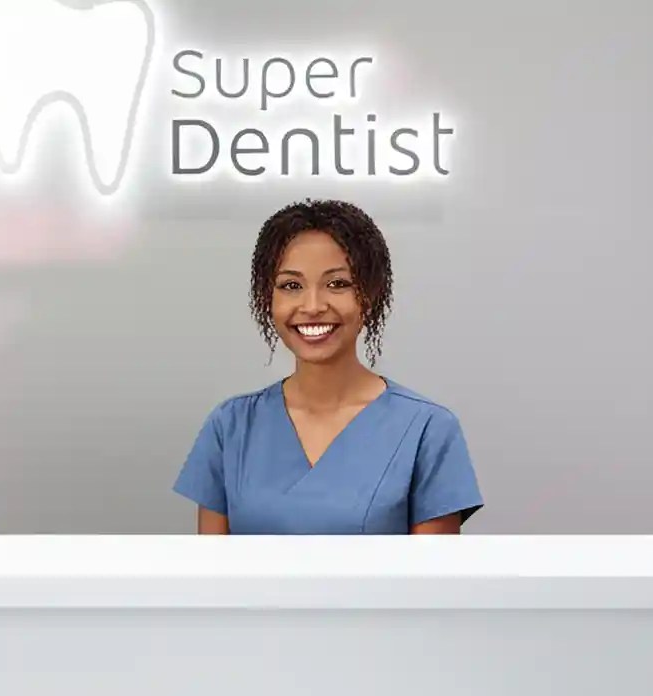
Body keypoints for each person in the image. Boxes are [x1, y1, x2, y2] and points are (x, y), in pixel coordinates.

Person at [172, 199, 484, 534]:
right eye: (291, 285)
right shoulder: (230, 427)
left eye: (338, 284)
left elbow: (434, 583)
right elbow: (213, 577)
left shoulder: (428, 430)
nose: (313, 306)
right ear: (268, 298)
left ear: (372, 293)